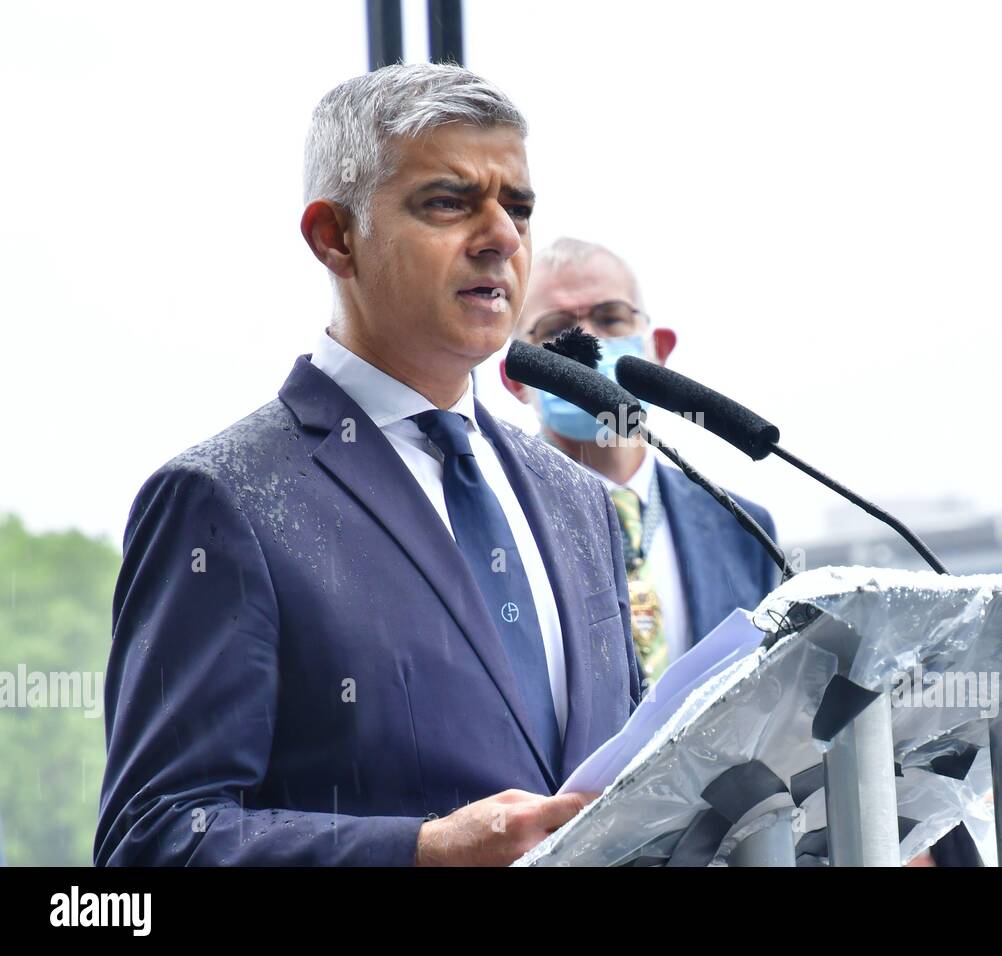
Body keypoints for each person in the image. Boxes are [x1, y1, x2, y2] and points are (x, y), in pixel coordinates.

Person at [94, 63, 639, 867]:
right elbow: (154, 843)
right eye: (450, 202)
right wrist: (423, 853)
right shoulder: (223, 500)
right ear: (334, 236)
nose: (503, 237)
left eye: (517, 207)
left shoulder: (578, 502)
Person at [502, 238, 779, 687]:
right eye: (555, 327)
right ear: (516, 378)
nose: (587, 341)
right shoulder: (495, 519)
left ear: (659, 352)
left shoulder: (743, 529)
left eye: (610, 317)